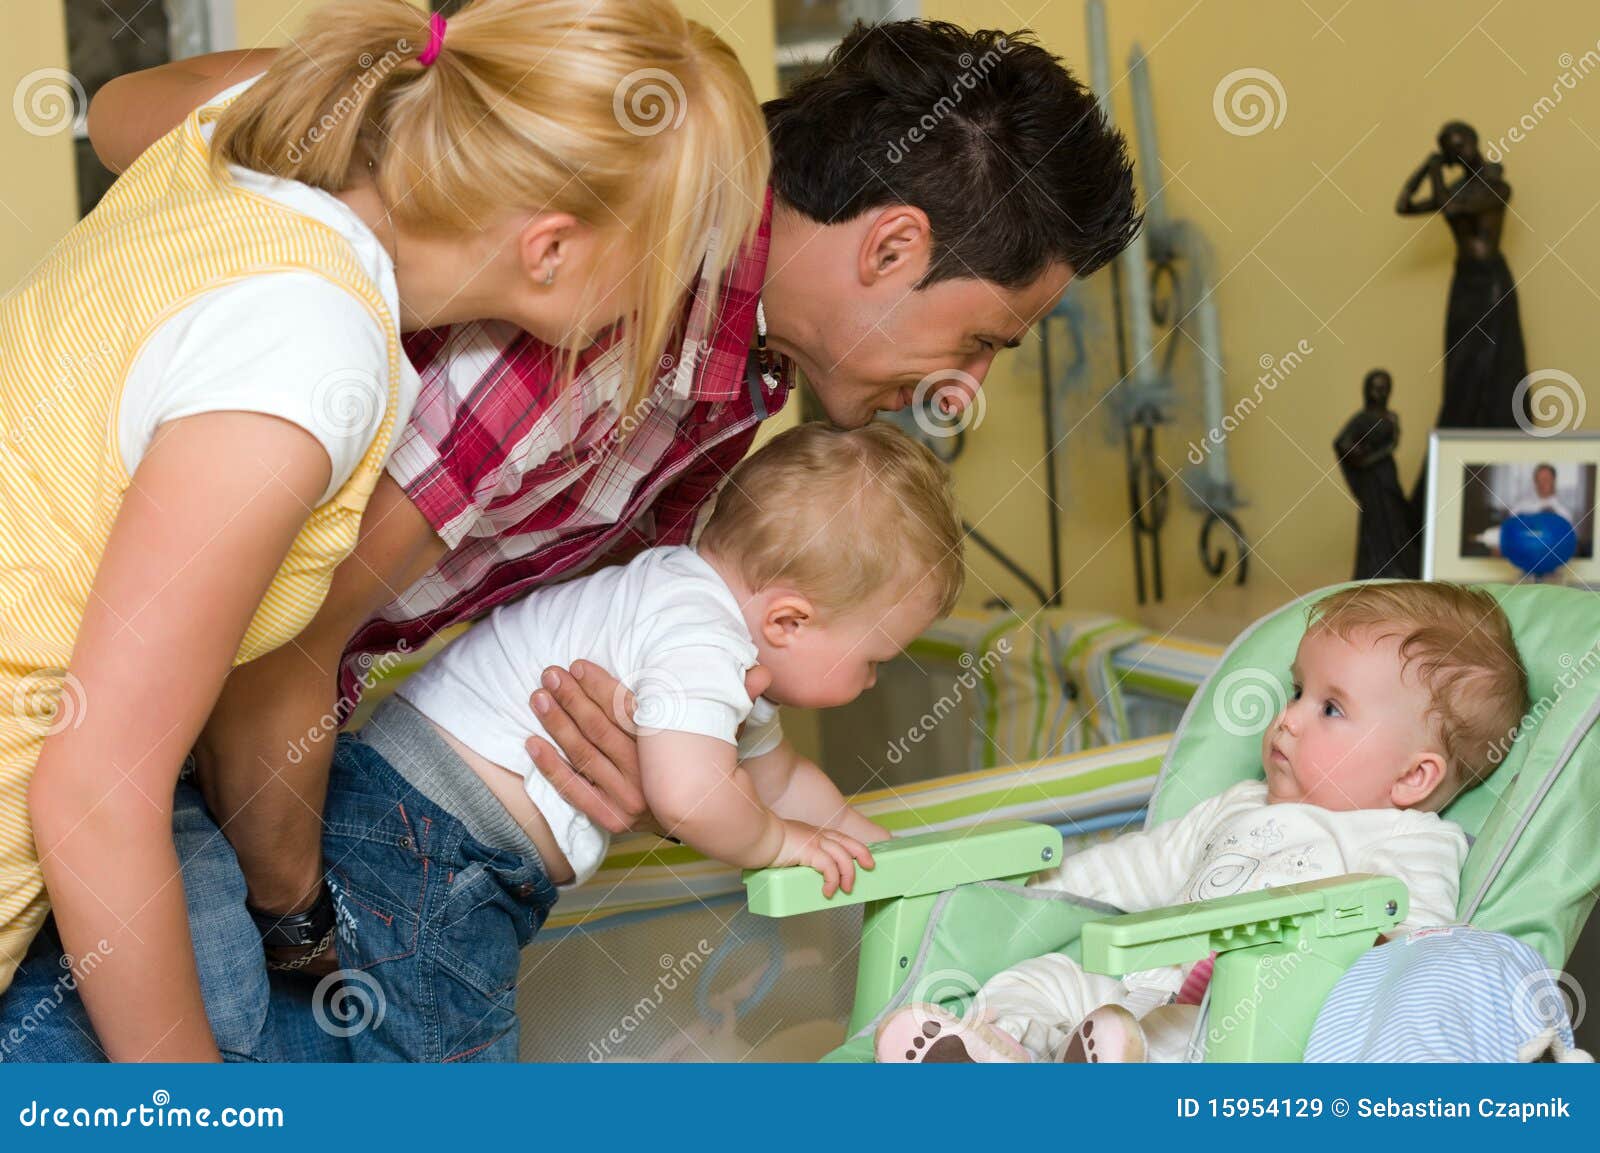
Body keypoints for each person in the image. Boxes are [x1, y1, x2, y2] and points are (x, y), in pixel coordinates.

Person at [74, 20, 1141, 983]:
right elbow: (282, 658)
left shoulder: (737, 384)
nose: (970, 383)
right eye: (983, 341)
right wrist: (305, 924)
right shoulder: (604, 317)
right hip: (141, 745)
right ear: (894, 245)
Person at [0, 0, 771, 1062]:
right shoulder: (311, 347)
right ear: (548, 249)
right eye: (681, 260)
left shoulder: (230, 145)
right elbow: (94, 793)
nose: (688, 300)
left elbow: (127, 110)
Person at [873, 582, 1527, 1063]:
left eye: (1331, 708)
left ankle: (1096, 1073)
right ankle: (995, 1054)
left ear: (1414, 777)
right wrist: (1031, 888)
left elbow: (1422, 955)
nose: (1290, 716)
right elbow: (1136, 864)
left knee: (1176, 1039)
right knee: (1044, 978)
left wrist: (1378, 944)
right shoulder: (1239, 803)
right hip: (1142, 985)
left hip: (1242, 1018)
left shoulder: (1409, 839)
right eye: (1297, 690)